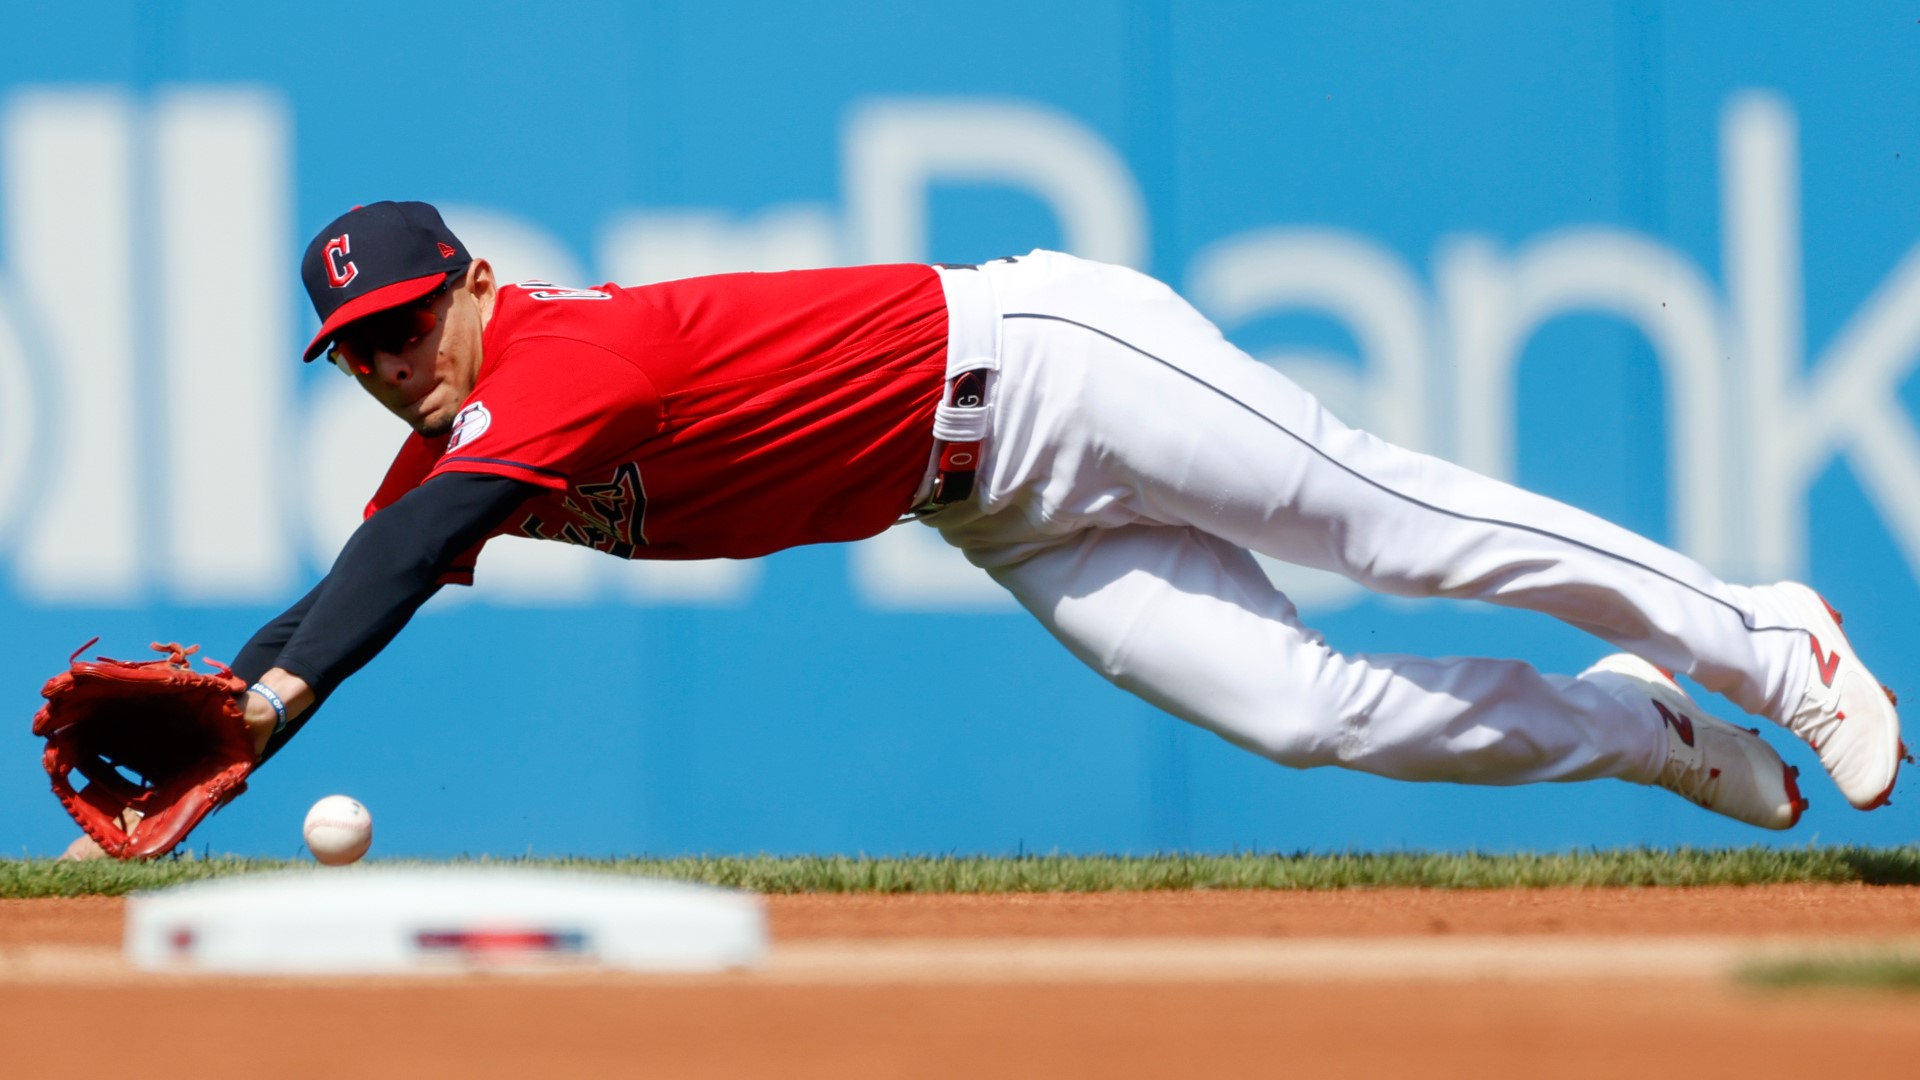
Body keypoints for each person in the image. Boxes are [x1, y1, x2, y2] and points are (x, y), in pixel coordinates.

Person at [61, 198, 1905, 859]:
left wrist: (274, 699)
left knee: (1404, 526)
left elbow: (385, 569)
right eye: (349, 348)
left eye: (395, 323)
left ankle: (1765, 640)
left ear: (466, 285)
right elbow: (347, 580)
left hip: (1051, 364)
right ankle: (1646, 730)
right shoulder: (464, 442)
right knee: (1311, 717)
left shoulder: (560, 362)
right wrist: (229, 701)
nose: (378, 362)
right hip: (995, 507)